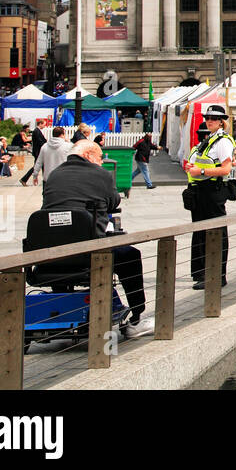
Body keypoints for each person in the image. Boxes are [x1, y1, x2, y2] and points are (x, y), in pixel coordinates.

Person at [41, 138, 151, 336]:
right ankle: (135, 319)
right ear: (88, 155)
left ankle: (64, 306)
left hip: (53, 255)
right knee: (131, 256)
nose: (101, 162)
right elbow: (114, 201)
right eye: (100, 158)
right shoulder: (100, 174)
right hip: (90, 253)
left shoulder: (54, 174)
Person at [182, 104, 235, 290]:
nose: (209, 121)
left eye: (213, 118)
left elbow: (226, 169)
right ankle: (204, 271)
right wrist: (192, 169)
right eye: (207, 118)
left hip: (212, 190)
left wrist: (201, 170)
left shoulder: (222, 141)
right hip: (200, 190)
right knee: (201, 233)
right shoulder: (209, 140)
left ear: (222, 122)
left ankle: (217, 275)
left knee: (215, 232)